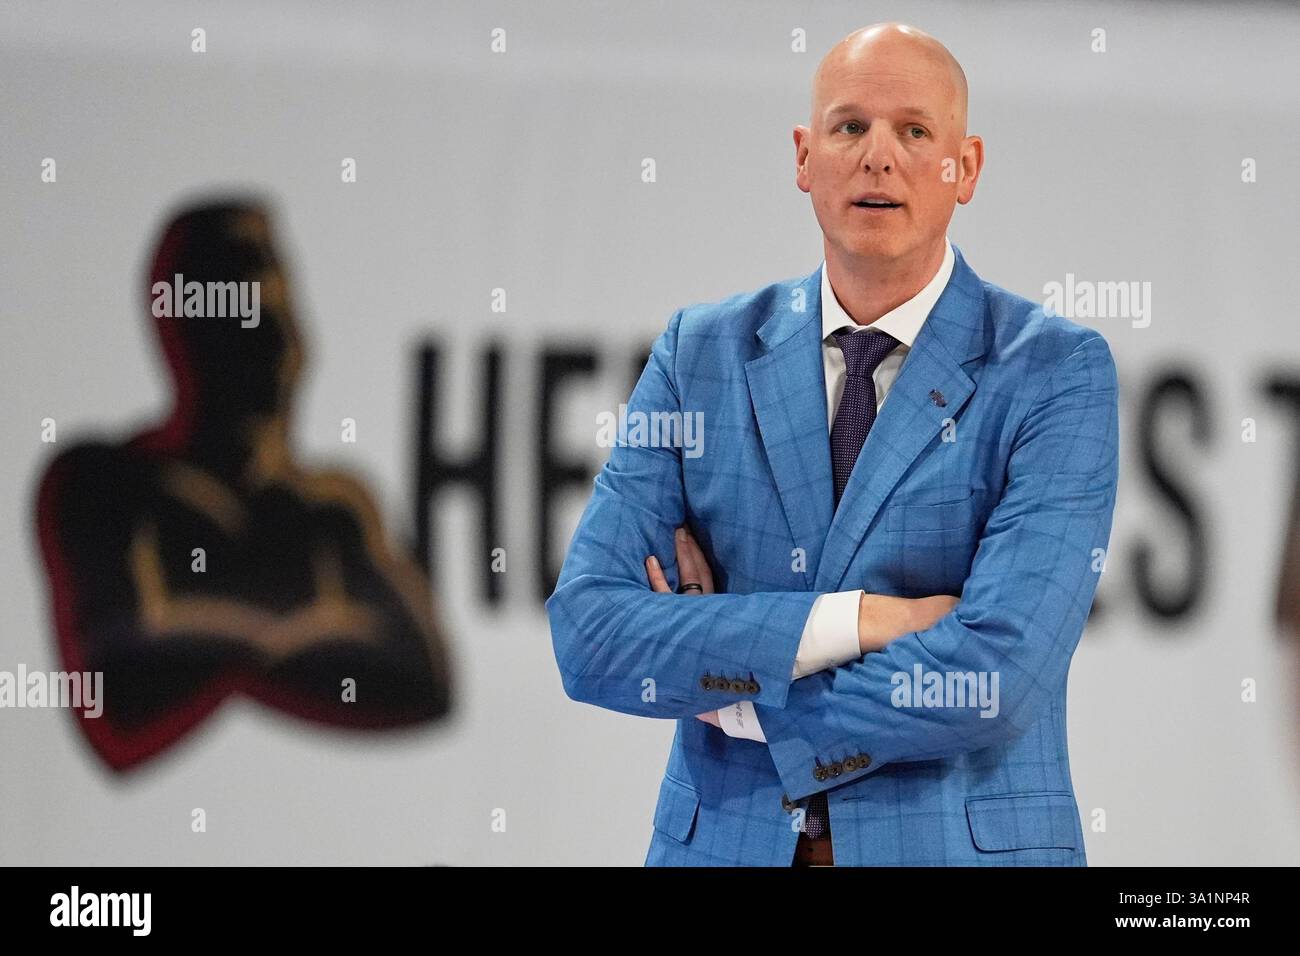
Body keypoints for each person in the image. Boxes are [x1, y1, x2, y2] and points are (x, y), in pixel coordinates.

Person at [547, 23, 1118, 866]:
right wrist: (862, 621)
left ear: (968, 167)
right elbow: (591, 634)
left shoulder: (1053, 371)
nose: (878, 157)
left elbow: (995, 677)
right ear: (804, 158)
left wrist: (739, 693)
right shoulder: (699, 353)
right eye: (850, 127)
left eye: (915, 131)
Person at [35, 199, 453, 772]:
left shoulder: (330, 511)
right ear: (187, 333)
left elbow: (420, 678)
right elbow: (122, 693)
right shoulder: (105, 485)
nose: (282, 348)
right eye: (248, 316)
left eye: (281, 312)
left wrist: (208, 625)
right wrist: (315, 617)